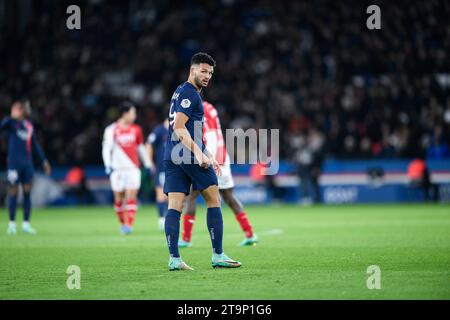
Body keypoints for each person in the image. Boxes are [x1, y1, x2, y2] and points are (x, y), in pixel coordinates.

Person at [163, 52, 241, 271]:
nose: (207, 76)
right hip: (186, 153)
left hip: (172, 154)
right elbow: (179, 127)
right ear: (192, 70)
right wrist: (198, 153)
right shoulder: (191, 94)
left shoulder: (179, 90)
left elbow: (191, 130)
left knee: (175, 206)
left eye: (211, 73)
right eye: (204, 71)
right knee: (213, 198)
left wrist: (208, 153)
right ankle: (218, 255)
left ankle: (175, 259)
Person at [178, 101, 258, 248]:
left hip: (210, 158)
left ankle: (186, 239)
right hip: (222, 157)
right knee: (228, 197)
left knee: (191, 196)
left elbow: (209, 134)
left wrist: (207, 159)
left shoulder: (197, 108)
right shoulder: (209, 107)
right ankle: (250, 234)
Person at [0, 99, 51, 235]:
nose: (13, 111)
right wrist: (10, 117)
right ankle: (11, 224)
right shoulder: (10, 123)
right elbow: (2, 125)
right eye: (12, 109)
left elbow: (34, 145)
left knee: (27, 193)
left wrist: (44, 161)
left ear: (21, 110)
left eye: (15, 109)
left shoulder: (28, 125)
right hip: (14, 164)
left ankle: (26, 224)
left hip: (27, 164)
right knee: (13, 192)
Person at [102, 102, 152, 235]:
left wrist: (147, 163)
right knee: (118, 198)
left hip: (133, 168)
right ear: (125, 114)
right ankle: (122, 223)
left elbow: (140, 148)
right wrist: (107, 165)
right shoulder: (111, 130)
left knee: (131, 196)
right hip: (117, 169)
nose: (134, 116)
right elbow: (106, 149)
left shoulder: (136, 129)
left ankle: (128, 225)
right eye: (133, 113)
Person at [146, 118, 169, 231]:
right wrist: (150, 163)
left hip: (176, 168)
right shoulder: (159, 130)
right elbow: (149, 144)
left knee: (174, 196)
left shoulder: (178, 129)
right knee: (161, 194)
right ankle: (161, 219)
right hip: (162, 168)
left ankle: (170, 219)